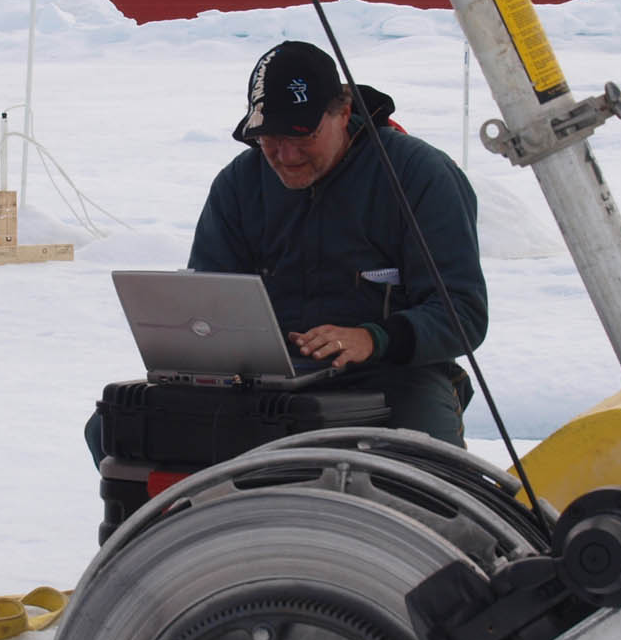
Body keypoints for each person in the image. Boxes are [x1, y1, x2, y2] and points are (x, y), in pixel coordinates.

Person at [188, 40, 486, 445]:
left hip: (396, 375)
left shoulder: (419, 175)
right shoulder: (238, 184)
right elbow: (207, 297)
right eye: (269, 138)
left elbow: (462, 314)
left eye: (303, 135)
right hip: (267, 381)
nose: (286, 154)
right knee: (120, 430)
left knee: (425, 468)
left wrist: (373, 338)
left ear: (344, 113)